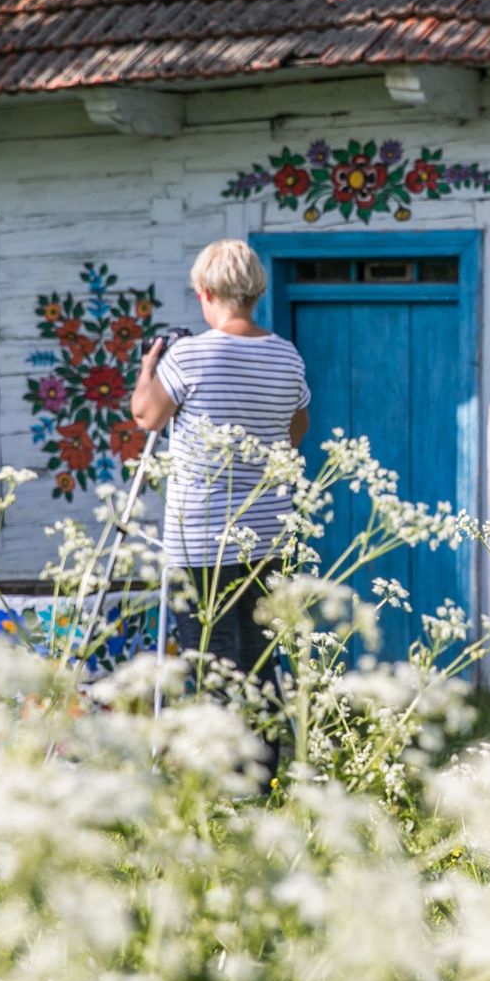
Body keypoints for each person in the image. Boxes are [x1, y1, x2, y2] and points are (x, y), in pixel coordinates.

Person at [131, 239, 310, 703]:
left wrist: (149, 366)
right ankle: (264, 768)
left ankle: (223, 765)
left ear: (206, 292)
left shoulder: (188, 355)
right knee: (260, 659)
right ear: (256, 294)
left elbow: (147, 417)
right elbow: (296, 431)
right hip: (268, 533)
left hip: (202, 537)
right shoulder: (287, 356)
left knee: (212, 663)